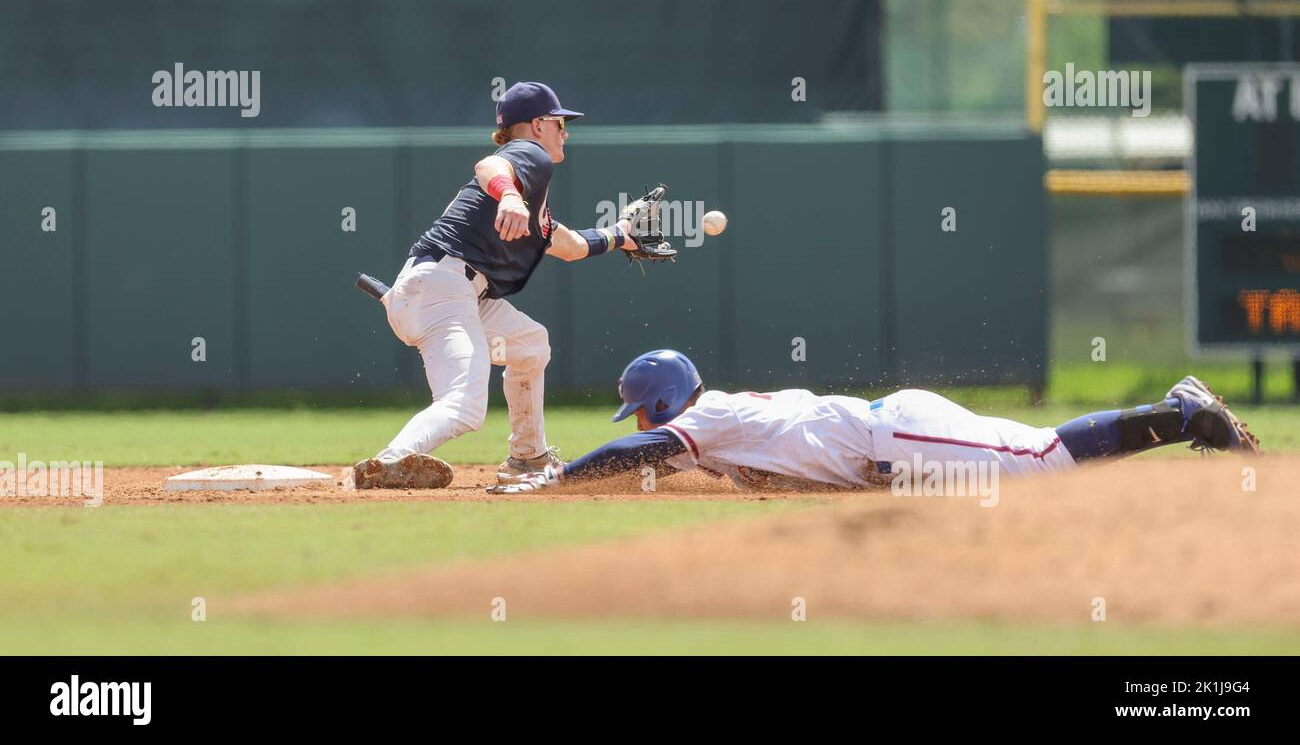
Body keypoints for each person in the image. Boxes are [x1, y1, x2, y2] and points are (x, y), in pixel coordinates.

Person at [353, 81, 654, 490]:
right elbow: (489, 167)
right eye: (559, 122)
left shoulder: (530, 192)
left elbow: (569, 246)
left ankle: (528, 457)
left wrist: (621, 235)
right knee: (465, 406)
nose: (566, 131)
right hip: (442, 289)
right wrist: (509, 196)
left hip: (450, 292)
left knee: (532, 345)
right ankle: (388, 462)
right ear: (536, 125)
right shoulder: (527, 156)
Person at [487, 349, 1260, 494]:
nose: (644, 420)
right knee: (1042, 458)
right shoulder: (723, 430)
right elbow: (656, 458)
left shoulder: (711, 415)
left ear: (659, 401)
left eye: (642, 406)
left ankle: (1182, 411)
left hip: (893, 438)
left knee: (1047, 459)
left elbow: (638, 449)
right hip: (892, 445)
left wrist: (562, 479)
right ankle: (1177, 410)